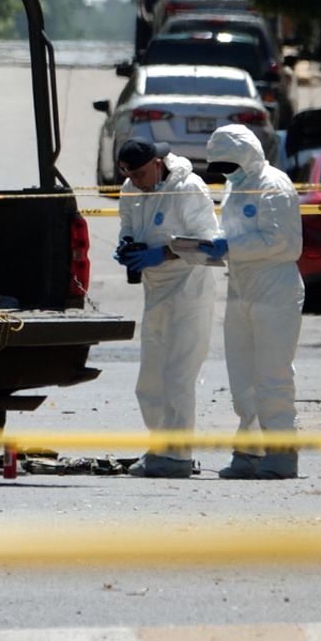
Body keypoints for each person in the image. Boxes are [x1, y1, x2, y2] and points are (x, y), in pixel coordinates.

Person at [197, 124, 306, 480]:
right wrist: (209, 242)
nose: (225, 172)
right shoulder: (235, 186)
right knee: (242, 378)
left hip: (275, 289)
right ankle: (249, 451)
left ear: (246, 155)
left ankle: (281, 454)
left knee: (272, 375)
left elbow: (285, 243)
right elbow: (233, 233)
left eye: (229, 163)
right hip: (242, 288)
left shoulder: (274, 185)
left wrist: (232, 247)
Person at [112, 139, 218, 478]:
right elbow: (128, 226)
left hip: (189, 288)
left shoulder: (188, 187)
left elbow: (208, 242)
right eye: (131, 175)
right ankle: (160, 447)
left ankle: (178, 455)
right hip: (155, 290)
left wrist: (164, 253)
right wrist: (127, 246)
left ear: (158, 163)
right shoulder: (131, 188)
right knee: (151, 379)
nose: (138, 181)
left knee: (178, 375)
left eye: (142, 173)